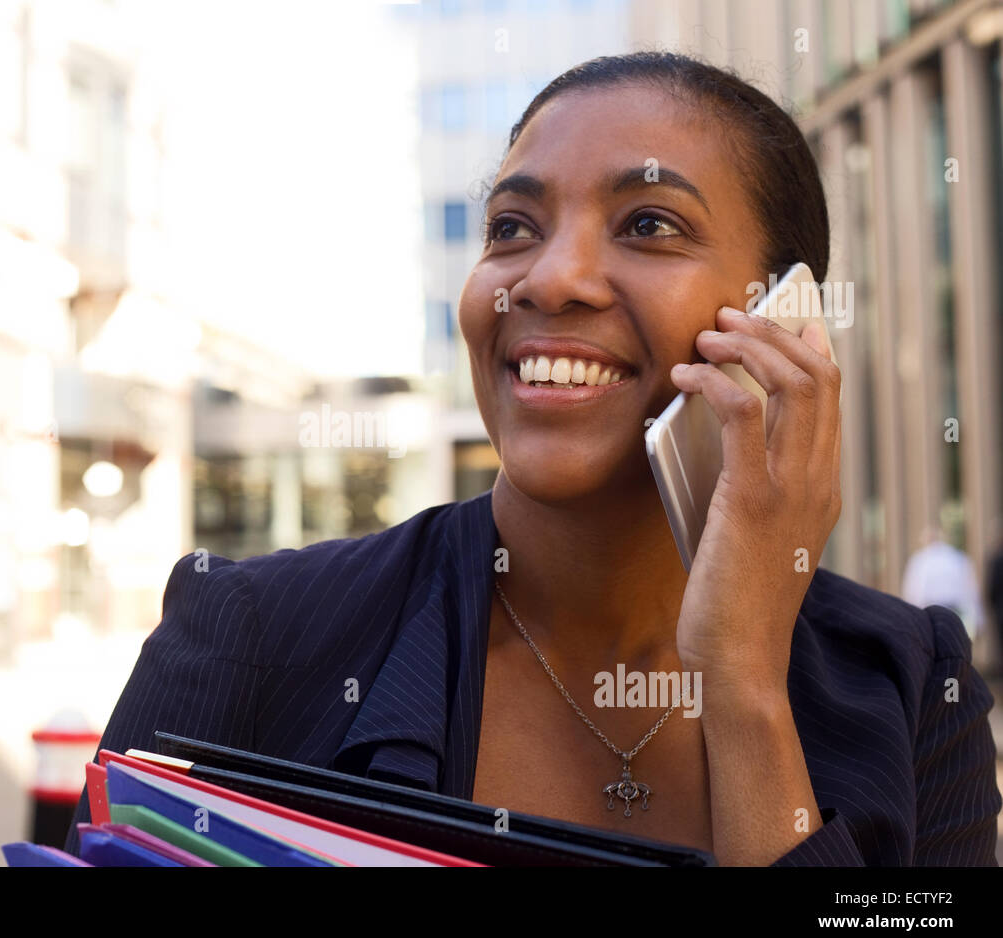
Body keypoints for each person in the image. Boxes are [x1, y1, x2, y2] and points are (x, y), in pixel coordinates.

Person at [65, 52, 1001, 866]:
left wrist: (745, 678)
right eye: (513, 227)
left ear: (786, 322)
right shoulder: (251, 636)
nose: (546, 277)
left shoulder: (915, 688)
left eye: (648, 225)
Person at [901, 525, 984, 643]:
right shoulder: (957, 558)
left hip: (931, 613)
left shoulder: (920, 560)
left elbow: (913, 591)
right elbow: (971, 591)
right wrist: (978, 618)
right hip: (954, 612)